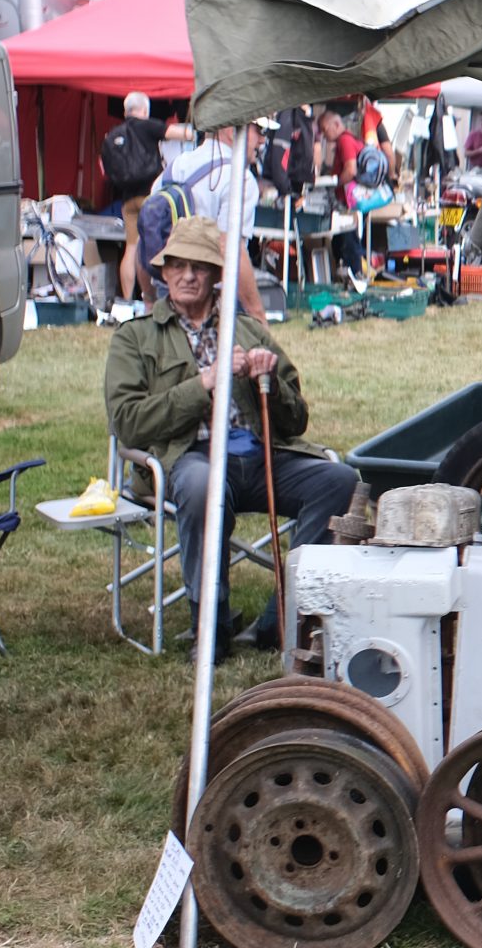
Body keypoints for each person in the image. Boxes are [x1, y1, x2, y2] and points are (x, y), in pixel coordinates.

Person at [104, 215, 356, 652]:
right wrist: (204, 383)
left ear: (217, 275)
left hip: (259, 457)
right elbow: (127, 421)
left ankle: (284, 615)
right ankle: (211, 623)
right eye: (178, 265)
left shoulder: (249, 330)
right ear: (163, 272)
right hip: (188, 459)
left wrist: (270, 383)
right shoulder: (136, 337)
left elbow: (297, 421)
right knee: (203, 485)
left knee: (339, 480)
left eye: (199, 266)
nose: (187, 275)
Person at [135, 124, 270, 318]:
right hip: (212, 303)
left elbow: (146, 239)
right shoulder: (241, 179)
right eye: (258, 131)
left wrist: (149, 299)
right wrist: (258, 317)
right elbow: (232, 252)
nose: (262, 140)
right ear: (231, 131)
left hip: (166, 294)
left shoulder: (175, 167)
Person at [99, 92, 191, 299]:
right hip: (152, 198)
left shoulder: (115, 134)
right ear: (144, 109)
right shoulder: (147, 125)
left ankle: (127, 298)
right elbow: (179, 134)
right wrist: (197, 133)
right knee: (157, 245)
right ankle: (156, 295)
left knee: (131, 248)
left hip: (127, 200)